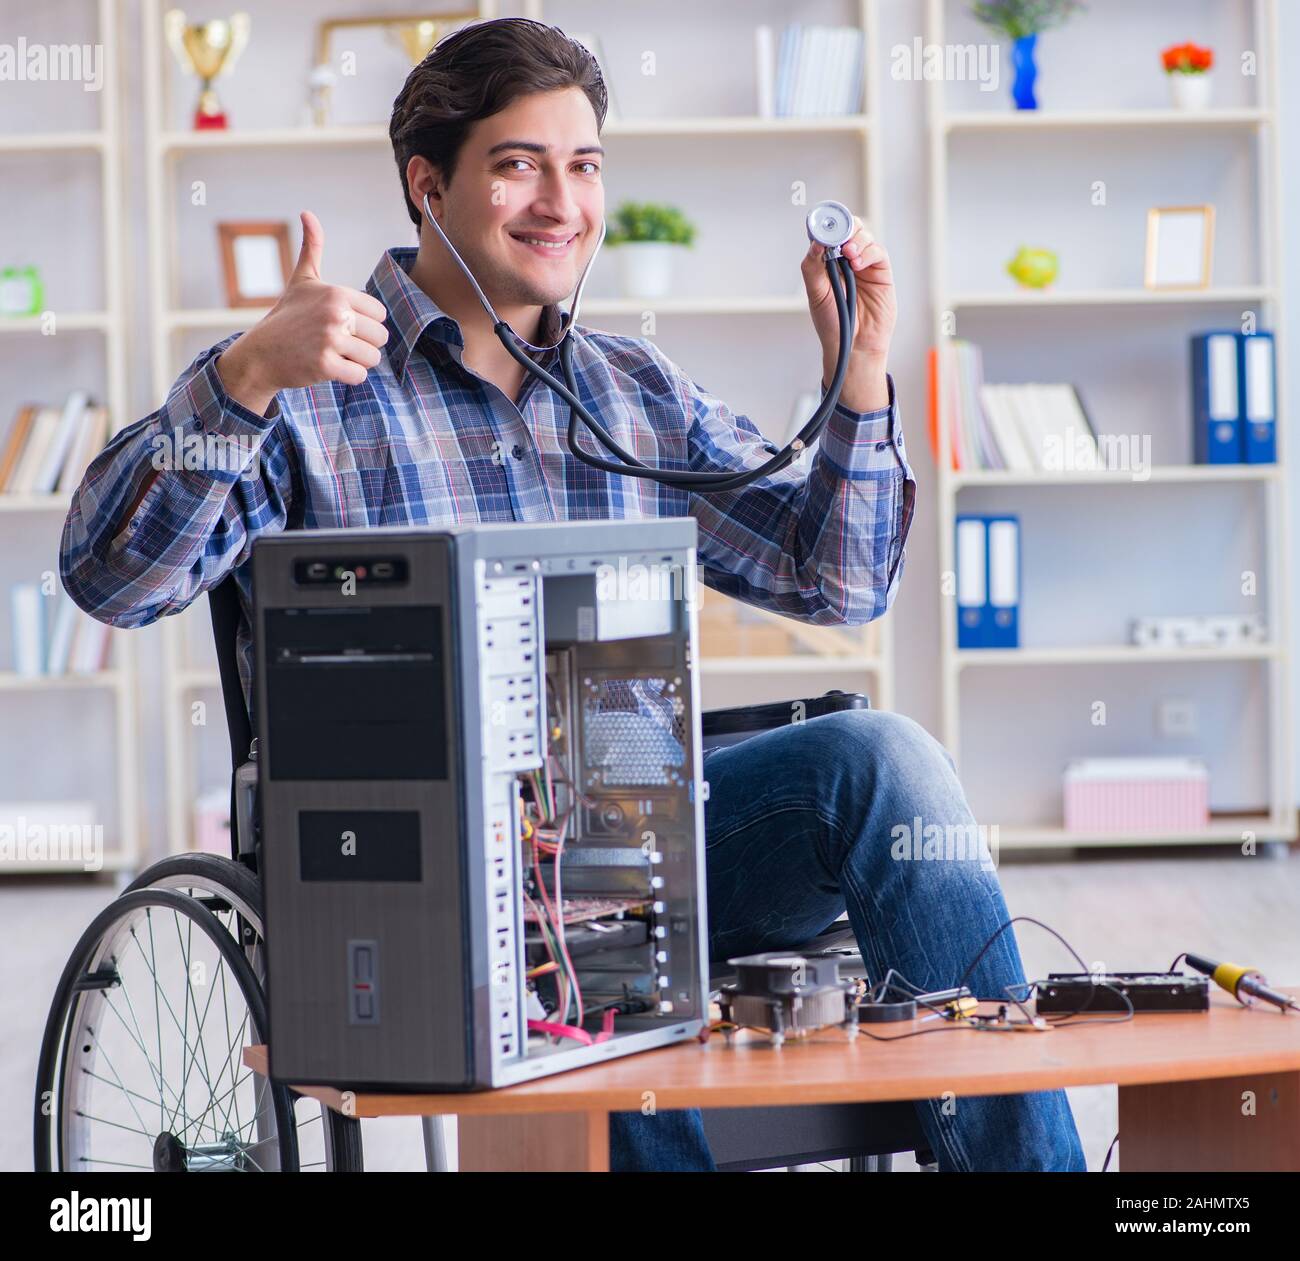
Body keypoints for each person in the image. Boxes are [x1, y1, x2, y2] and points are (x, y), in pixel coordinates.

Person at [60, 16, 1084, 1171]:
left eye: (583, 166)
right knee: (614, 970)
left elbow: (838, 578)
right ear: (427, 184)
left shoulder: (634, 390)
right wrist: (241, 375)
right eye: (518, 164)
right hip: (418, 876)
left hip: (637, 843)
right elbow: (111, 578)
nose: (562, 201)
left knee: (885, 763)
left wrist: (856, 378)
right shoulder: (307, 387)